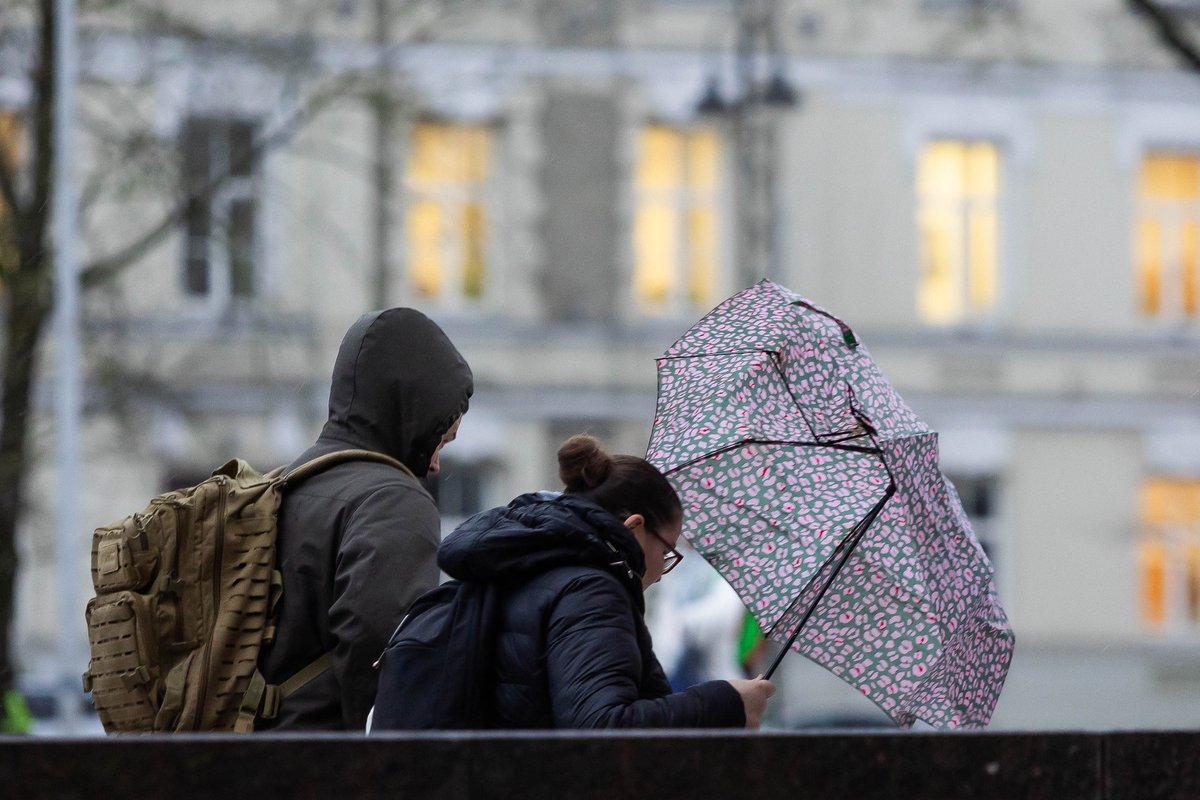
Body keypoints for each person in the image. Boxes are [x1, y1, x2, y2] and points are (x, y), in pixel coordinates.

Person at [376, 434, 775, 729]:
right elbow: (600, 728)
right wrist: (726, 702)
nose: (662, 567)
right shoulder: (591, 590)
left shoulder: (524, 563)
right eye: (667, 551)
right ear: (635, 529)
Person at [258, 307, 473, 730]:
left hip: (248, 751)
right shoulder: (393, 500)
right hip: (321, 765)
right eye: (440, 440)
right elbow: (385, 649)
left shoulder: (291, 481)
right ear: (413, 415)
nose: (434, 465)